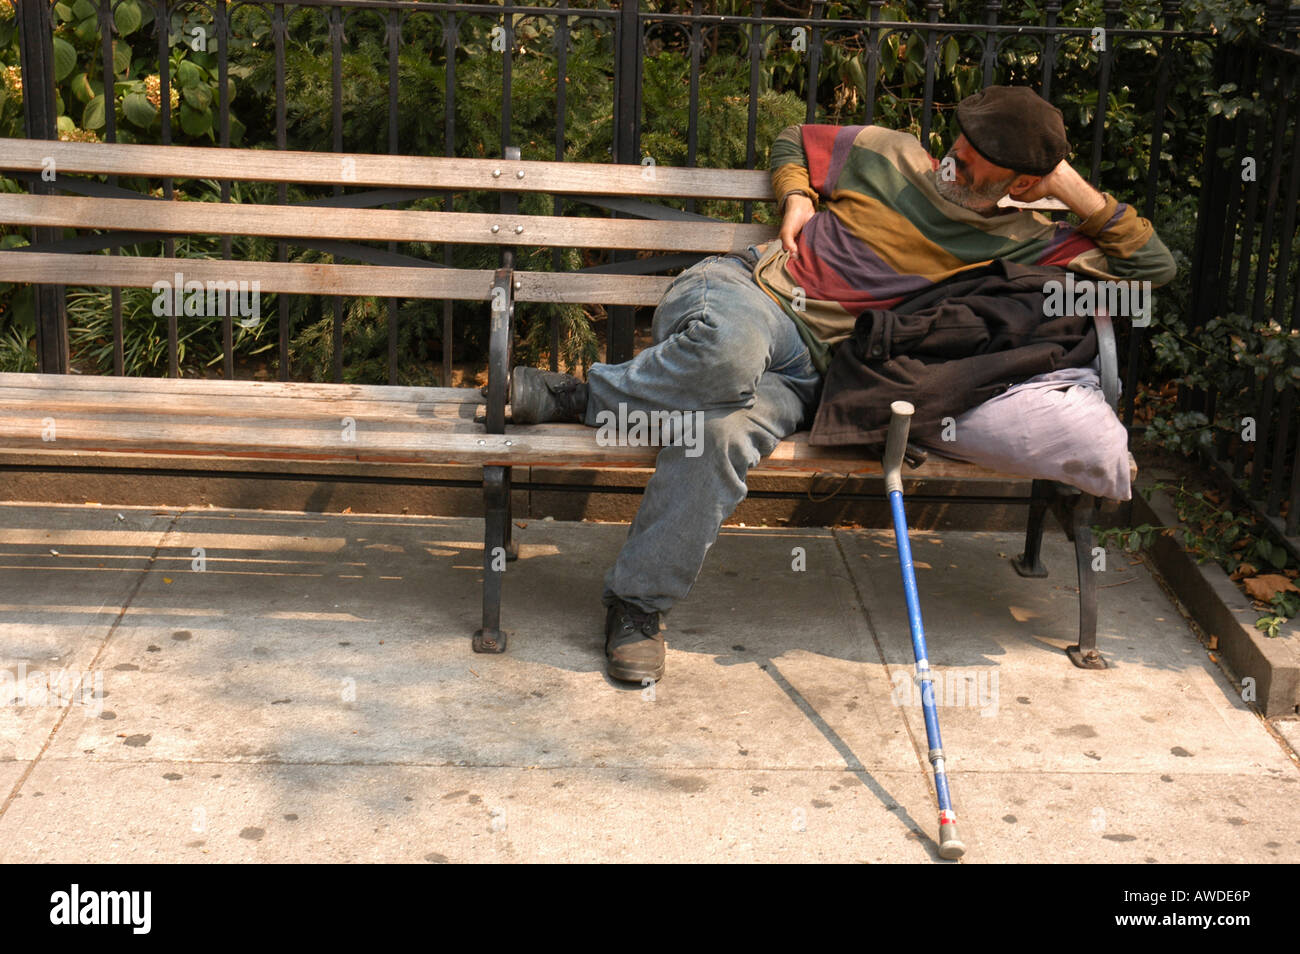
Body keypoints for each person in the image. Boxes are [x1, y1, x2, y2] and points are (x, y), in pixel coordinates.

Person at [508, 85, 1177, 685]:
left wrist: (1070, 187)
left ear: (1025, 184)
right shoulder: (890, 151)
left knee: (717, 435)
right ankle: (580, 397)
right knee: (728, 358)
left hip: (822, 371)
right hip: (750, 294)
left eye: (975, 164)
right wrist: (797, 197)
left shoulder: (1027, 239)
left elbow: (1151, 270)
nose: (953, 161)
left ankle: (635, 603)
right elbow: (793, 138)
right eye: (958, 144)